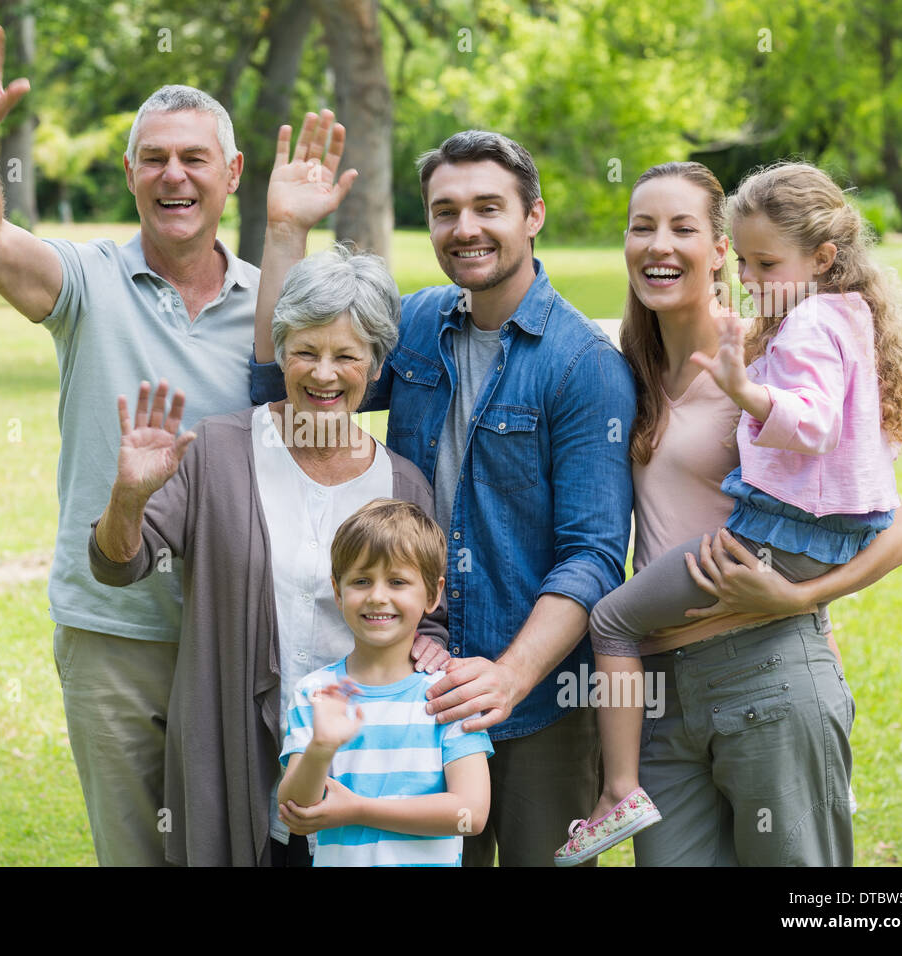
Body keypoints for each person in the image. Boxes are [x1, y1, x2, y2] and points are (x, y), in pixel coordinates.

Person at [252, 117, 636, 865]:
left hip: (535, 706)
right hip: (412, 690)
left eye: (488, 207)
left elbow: (591, 556)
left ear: (534, 216)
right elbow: (293, 377)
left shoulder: (583, 363)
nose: (466, 228)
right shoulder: (419, 323)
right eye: (445, 211)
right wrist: (285, 232)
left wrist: (511, 674)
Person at [0, 20, 260, 865]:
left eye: (192, 157)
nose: (172, 174)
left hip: (242, 629)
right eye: (153, 158)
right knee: (137, 852)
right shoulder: (84, 282)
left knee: (239, 849)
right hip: (113, 628)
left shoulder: (273, 303)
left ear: (231, 175)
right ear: (130, 175)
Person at [567, 161, 902, 866]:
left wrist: (800, 594)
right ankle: (622, 788)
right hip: (661, 691)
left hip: (764, 667)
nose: (658, 245)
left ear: (720, 249)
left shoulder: (768, 363)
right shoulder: (621, 371)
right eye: (642, 227)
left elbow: (895, 529)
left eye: (682, 228)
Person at [89, 247, 450, 866]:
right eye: (306, 351)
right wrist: (127, 497)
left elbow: (425, 616)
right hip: (234, 755)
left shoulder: (403, 483)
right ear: (280, 352)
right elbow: (119, 563)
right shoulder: (218, 452)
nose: (324, 374)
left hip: (363, 778)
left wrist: (432, 642)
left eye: (347, 356)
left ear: (377, 365)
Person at [276, 499, 493, 866]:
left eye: (397, 581)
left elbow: (471, 813)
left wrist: (359, 810)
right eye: (361, 581)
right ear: (338, 590)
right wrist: (321, 747)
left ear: (432, 594)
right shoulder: (316, 693)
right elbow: (297, 812)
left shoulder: (448, 695)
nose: (377, 596)